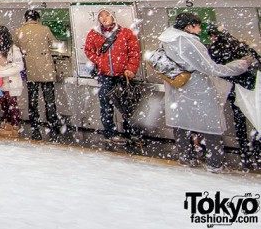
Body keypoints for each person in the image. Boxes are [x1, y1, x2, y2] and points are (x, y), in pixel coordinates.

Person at [158, 13, 252, 172]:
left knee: (182, 123)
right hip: (198, 88)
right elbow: (211, 68)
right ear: (189, 26)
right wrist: (240, 65)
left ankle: (186, 158)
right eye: (198, 26)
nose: (200, 29)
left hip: (177, 86)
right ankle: (215, 163)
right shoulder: (188, 42)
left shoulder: (166, 40)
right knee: (210, 125)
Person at [84, 9, 143, 152]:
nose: (104, 19)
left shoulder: (126, 33)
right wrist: (100, 61)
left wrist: (131, 69)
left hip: (123, 75)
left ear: (113, 17)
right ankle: (110, 133)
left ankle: (131, 133)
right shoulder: (94, 34)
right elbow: (88, 50)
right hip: (105, 75)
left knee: (127, 104)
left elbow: (134, 52)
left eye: (107, 15)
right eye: (101, 16)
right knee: (106, 105)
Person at [205, 23, 261, 169]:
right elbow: (257, 60)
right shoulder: (240, 45)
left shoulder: (215, 49)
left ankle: (245, 154)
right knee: (256, 118)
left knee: (240, 123)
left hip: (234, 90)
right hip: (252, 88)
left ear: (213, 36)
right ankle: (256, 151)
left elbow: (215, 69)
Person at [15, 9, 62, 140]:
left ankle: (35, 128)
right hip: (46, 69)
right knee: (49, 100)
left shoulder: (19, 31)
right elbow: (54, 44)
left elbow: (18, 46)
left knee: (33, 100)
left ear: (26, 19)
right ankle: (53, 127)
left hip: (31, 69)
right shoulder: (44, 29)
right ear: (38, 19)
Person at [0, 25, 25, 137]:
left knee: (12, 103)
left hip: (10, 81)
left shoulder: (13, 48)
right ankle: (7, 124)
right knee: (3, 104)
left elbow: (19, 66)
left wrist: (2, 73)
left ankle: (14, 126)